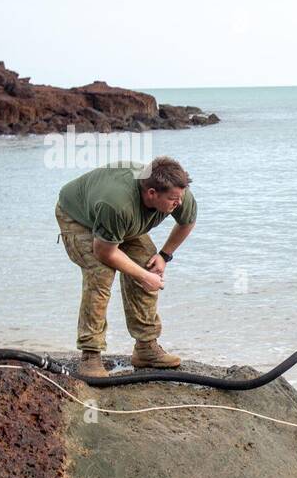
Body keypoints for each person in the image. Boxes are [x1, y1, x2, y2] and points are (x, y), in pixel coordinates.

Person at [55, 157, 196, 377]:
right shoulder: (117, 204)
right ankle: (90, 355)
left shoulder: (177, 191)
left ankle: (146, 347)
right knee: (100, 274)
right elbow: (104, 252)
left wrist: (164, 255)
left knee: (149, 265)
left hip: (117, 222)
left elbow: (187, 221)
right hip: (78, 217)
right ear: (151, 193)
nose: (178, 203)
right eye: (172, 199)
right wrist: (142, 276)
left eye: (180, 198)